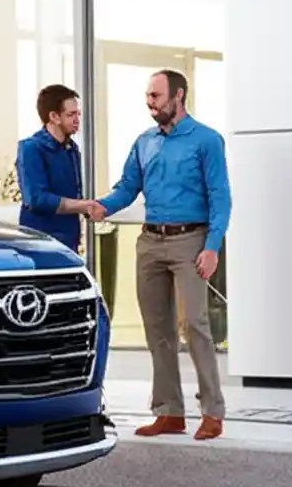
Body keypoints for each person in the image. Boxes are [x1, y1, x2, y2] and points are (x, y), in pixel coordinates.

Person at [89, 69, 230, 441]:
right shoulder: (144, 142)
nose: (149, 102)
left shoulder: (206, 140)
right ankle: (169, 412)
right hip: (150, 242)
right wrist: (103, 206)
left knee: (195, 325)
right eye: (148, 96)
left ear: (178, 95)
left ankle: (212, 411)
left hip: (190, 241)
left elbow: (221, 197)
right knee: (157, 329)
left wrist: (212, 246)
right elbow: (127, 187)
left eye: (156, 95)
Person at [15, 84, 99, 252]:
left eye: (78, 114)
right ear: (53, 116)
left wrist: (87, 207)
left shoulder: (72, 149)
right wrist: (82, 205)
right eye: (71, 114)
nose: (77, 119)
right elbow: (36, 199)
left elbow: (74, 194)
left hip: (69, 242)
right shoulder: (31, 148)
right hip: (40, 243)